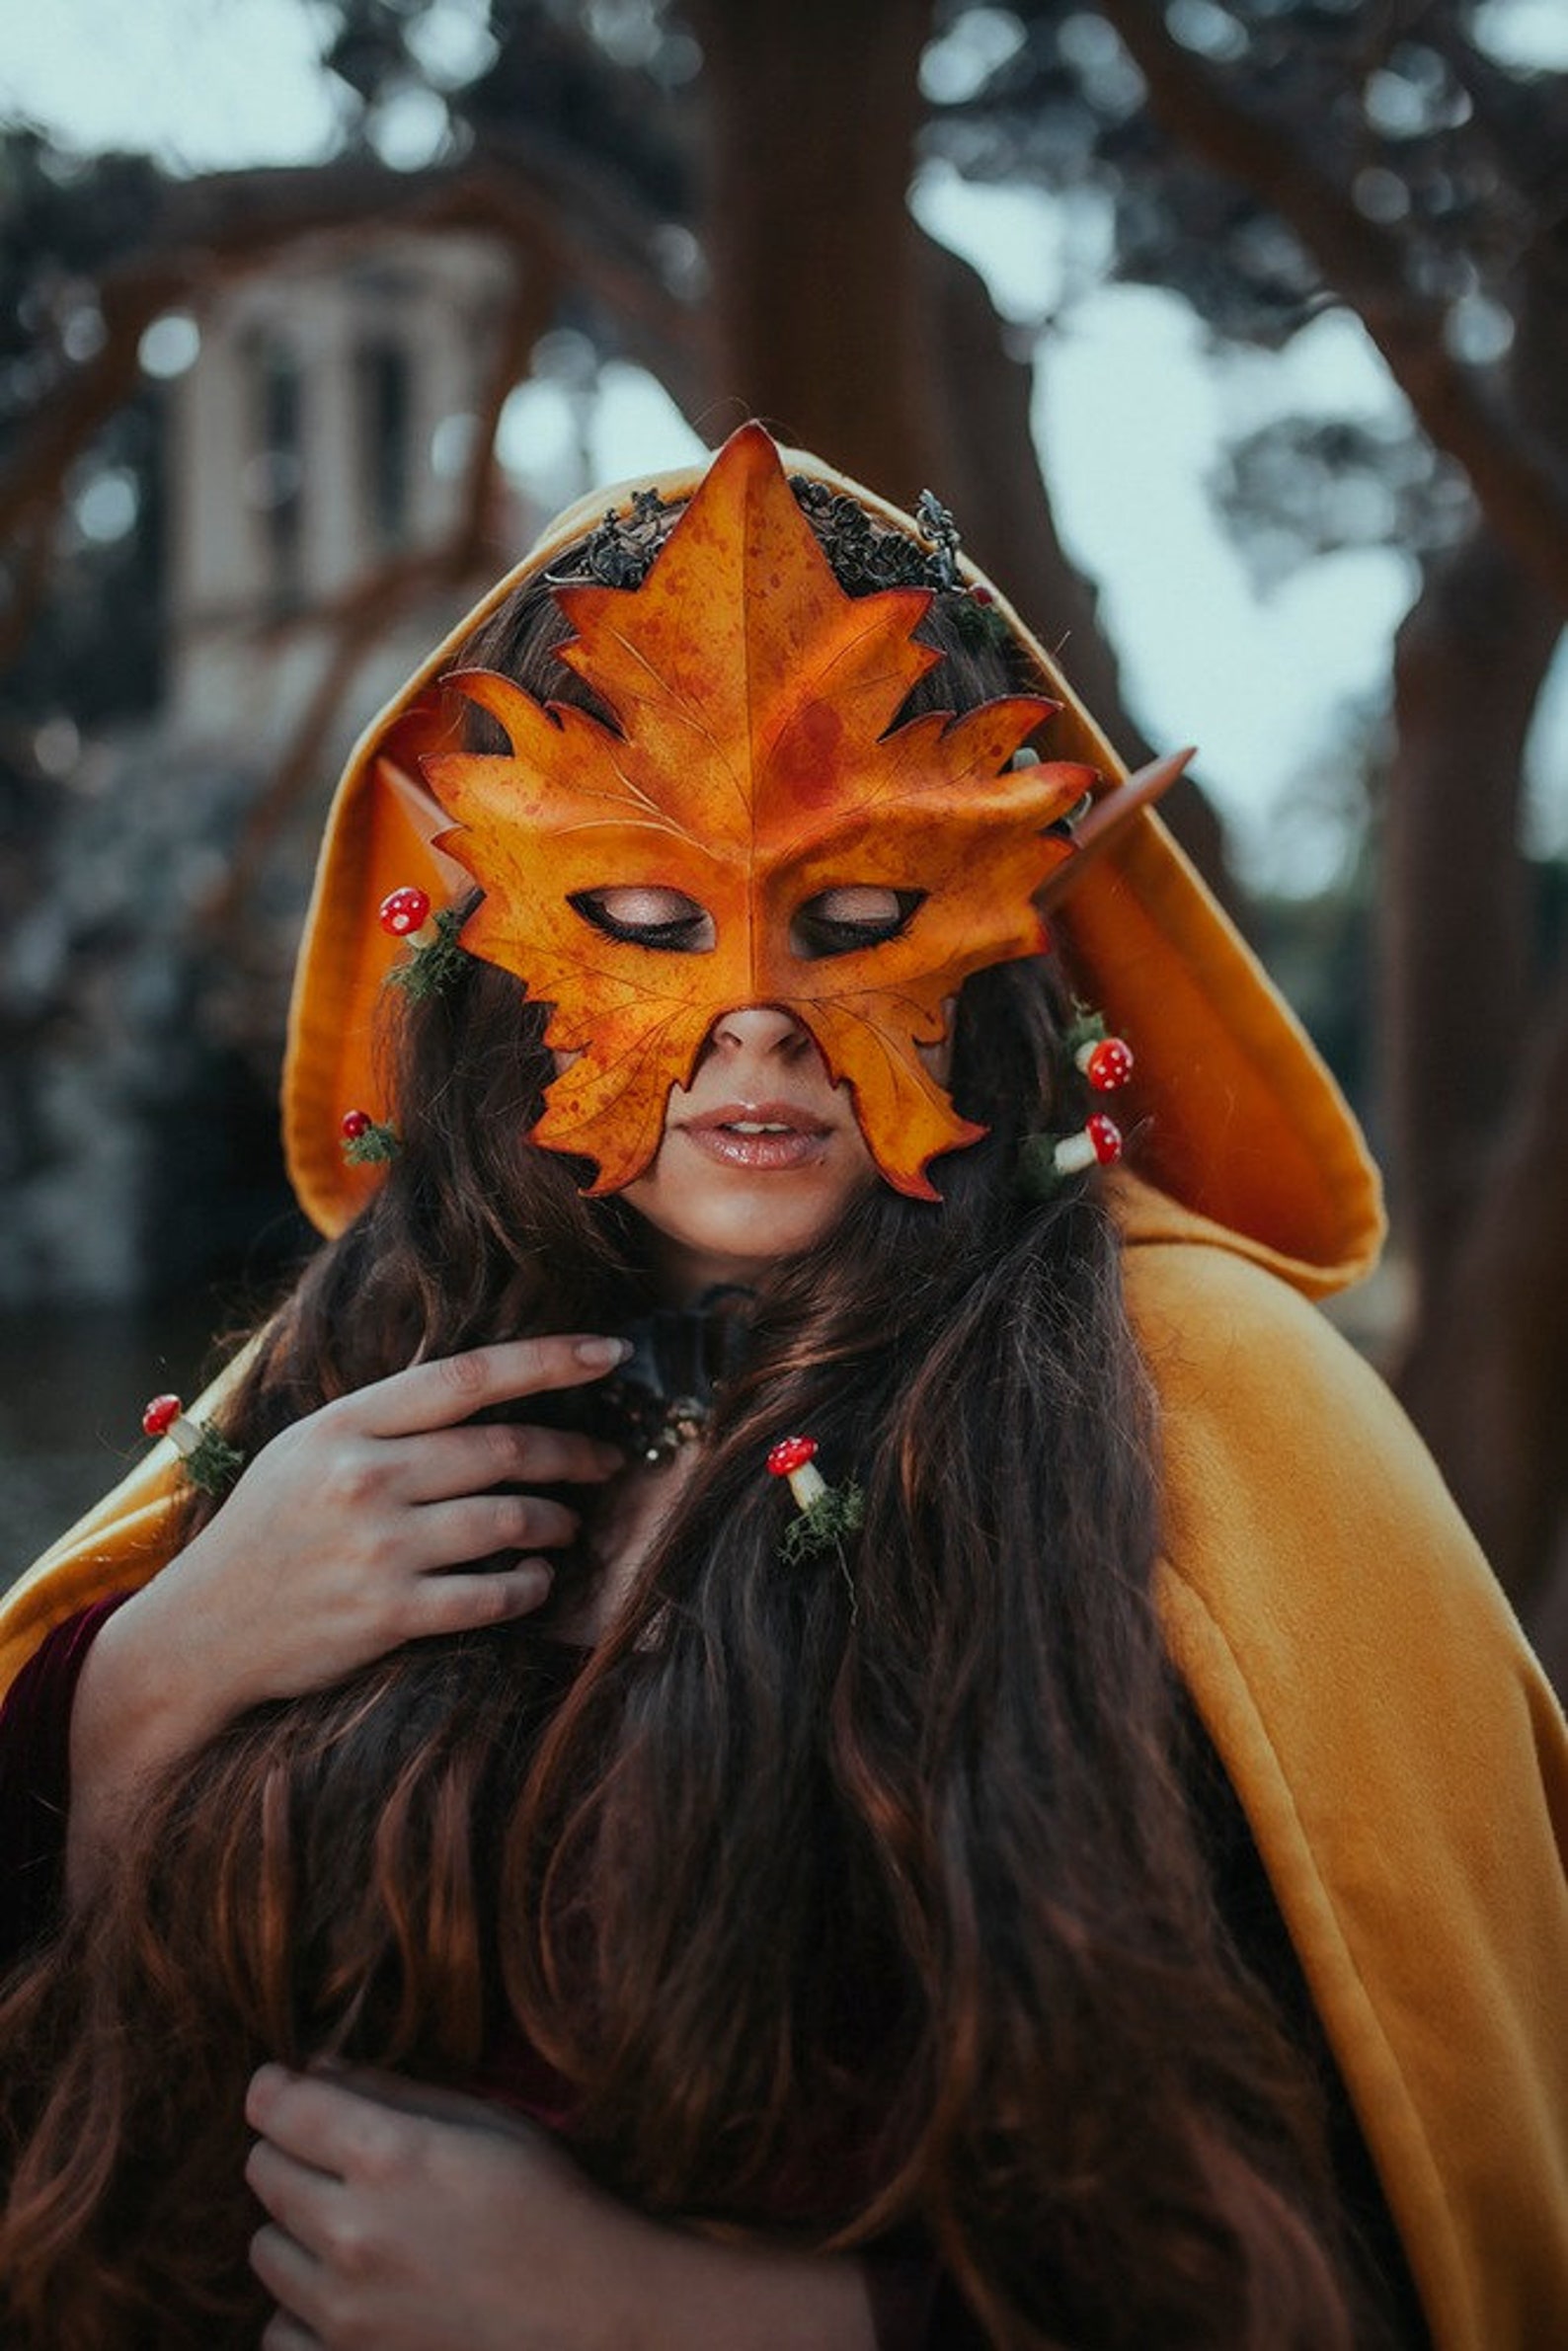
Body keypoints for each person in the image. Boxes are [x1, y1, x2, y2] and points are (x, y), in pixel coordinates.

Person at [0, 422, 1563, 2350]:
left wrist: (709, 2325)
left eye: (852, 919)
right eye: (648, 924)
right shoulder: (356, 1365)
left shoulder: (1221, 1415)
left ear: (1003, 907)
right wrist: (146, 1691)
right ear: (502, 927)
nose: (753, 1021)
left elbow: (1381, 2235)